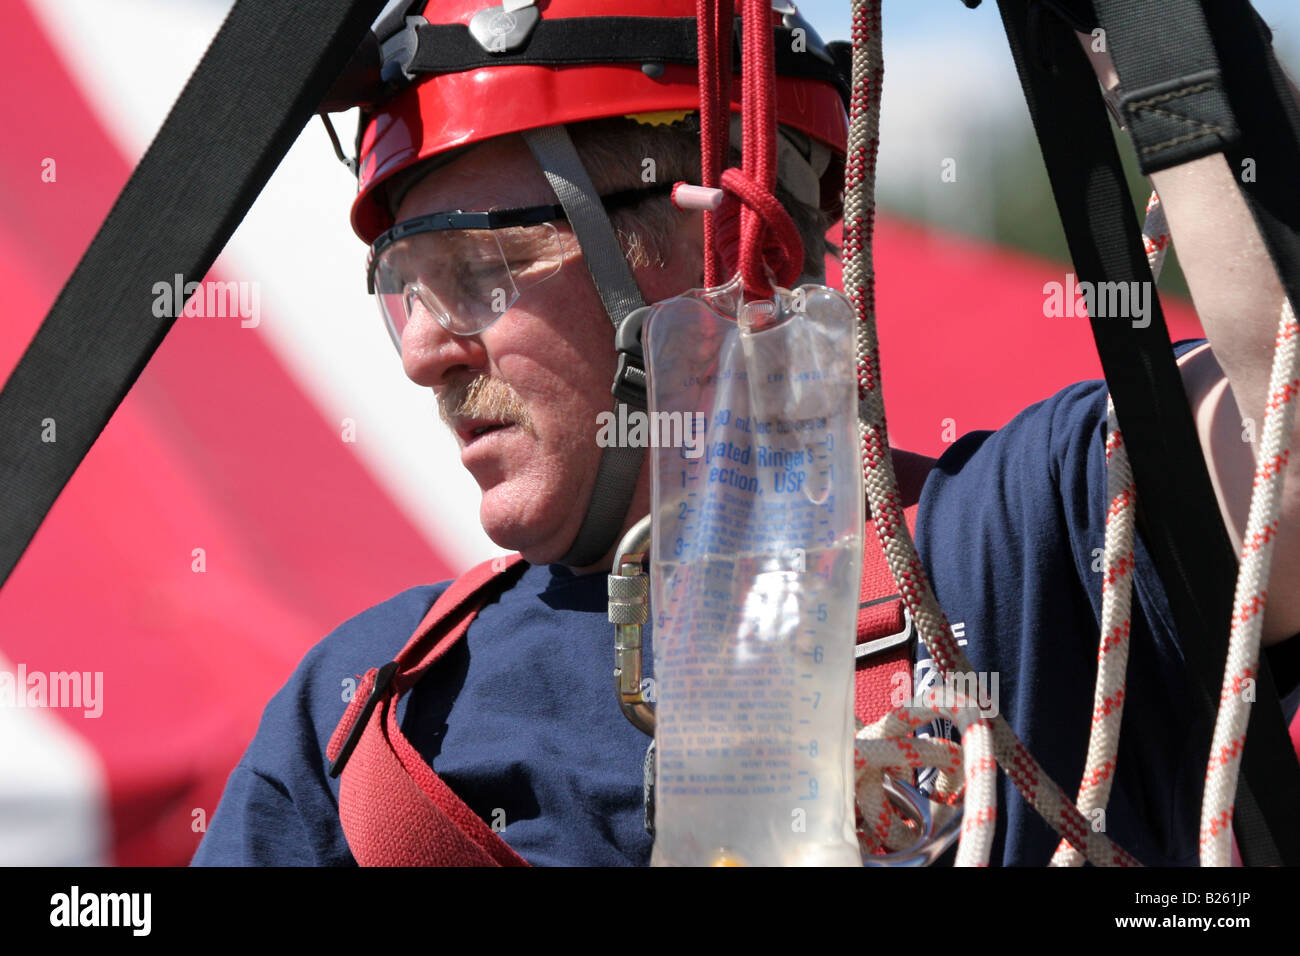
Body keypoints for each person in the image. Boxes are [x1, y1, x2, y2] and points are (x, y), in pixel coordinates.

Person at [191, 0, 1300, 866]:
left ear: (709, 243)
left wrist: (1158, 37)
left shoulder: (1006, 548)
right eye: (404, 290)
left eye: (479, 272)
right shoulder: (372, 714)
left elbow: (1281, 444)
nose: (428, 351)